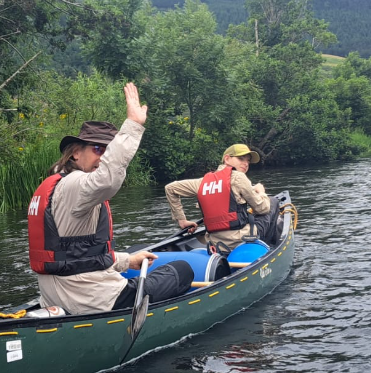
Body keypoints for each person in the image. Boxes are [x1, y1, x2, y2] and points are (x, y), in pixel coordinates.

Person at [28, 82, 194, 315]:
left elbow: (79, 255)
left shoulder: (57, 185)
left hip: (61, 297)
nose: (104, 158)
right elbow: (107, 178)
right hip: (96, 301)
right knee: (183, 269)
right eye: (98, 149)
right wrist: (134, 124)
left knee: (137, 259)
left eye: (108, 150)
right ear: (76, 153)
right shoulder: (76, 185)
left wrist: (127, 260)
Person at [164, 143, 278, 250]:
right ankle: (266, 248)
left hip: (215, 243)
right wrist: (261, 192)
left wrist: (182, 221)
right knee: (273, 202)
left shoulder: (202, 182)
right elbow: (262, 208)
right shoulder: (239, 177)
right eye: (240, 159)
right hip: (240, 240)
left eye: (248, 161)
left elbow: (170, 188)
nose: (246, 163)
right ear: (227, 159)